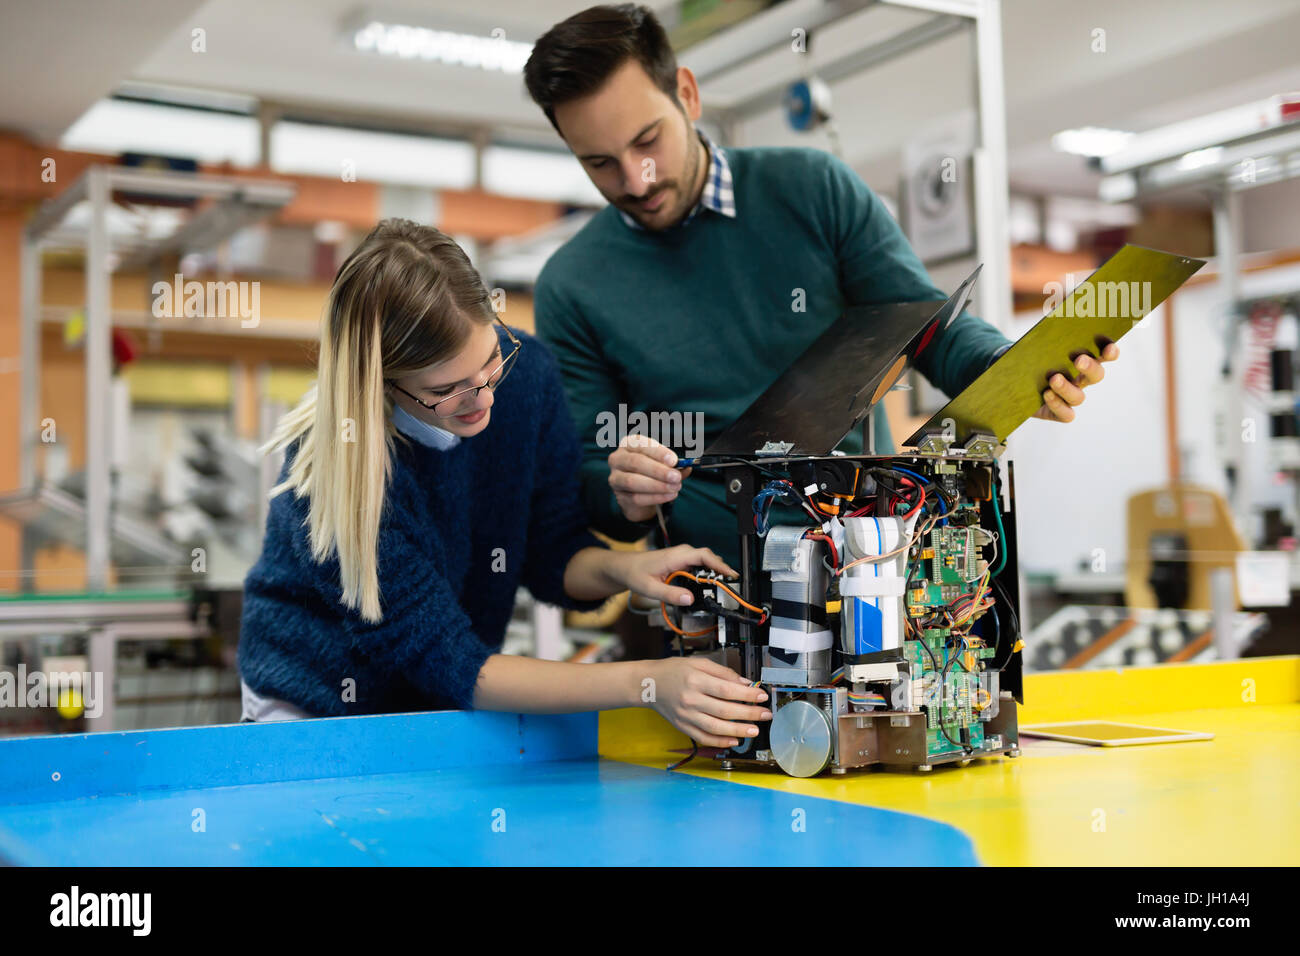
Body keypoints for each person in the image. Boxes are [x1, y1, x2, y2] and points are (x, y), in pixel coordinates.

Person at [524, 3, 1119, 568]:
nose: (635, 179)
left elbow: (927, 327)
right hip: (713, 596)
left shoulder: (813, 190)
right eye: (599, 163)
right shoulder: (572, 284)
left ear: (686, 93)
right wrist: (624, 490)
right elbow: (589, 468)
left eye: (647, 140)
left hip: (868, 567)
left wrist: (1014, 370)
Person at [236, 219, 770, 750]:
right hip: (314, 713)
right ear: (383, 379)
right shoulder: (335, 475)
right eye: (447, 389)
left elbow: (551, 552)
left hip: (441, 705)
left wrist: (626, 569)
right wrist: (647, 683)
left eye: (491, 360)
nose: (484, 398)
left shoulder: (528, 374)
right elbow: (453, 664)